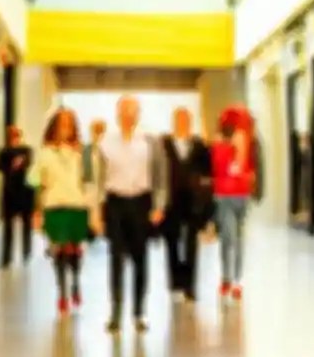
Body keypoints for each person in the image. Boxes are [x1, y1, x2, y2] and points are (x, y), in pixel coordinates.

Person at [88, 95, 168, 333]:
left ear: (139, 114)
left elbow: (161, 177)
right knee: (116, 260)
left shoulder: (150, 141)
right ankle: (115, 313)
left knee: (141, 260)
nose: (128, 116)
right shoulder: (106, 142)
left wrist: (159, 206)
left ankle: (139, 313)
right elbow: (98, 179)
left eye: (133, 111)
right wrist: (96, 211)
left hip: (141, 202)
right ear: (117, 114)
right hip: (115, 203)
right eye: (124, 111)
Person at [28, 107, 92, 317]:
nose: (65, 128)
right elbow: (35, 181)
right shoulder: (45, 153)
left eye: (69, 124)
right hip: (54, 206)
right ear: (54, 127)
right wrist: (37, 211)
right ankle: (62, 292)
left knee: (74, 250)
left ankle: (75, 283)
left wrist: (93, 210)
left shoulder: (82, 152)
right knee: (58, 250)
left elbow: (89, 181)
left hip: (76, 205)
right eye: (62, 124)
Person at [160, 107, 212, 303]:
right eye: (179, 120)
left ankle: (190, 285)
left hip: (192, 201)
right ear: (174, 122)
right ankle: (175, 283)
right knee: (171, 242)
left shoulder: (199, 145)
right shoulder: (164, 144)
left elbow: (208, 171)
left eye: (186, 120)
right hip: (170, 200)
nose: (182, 123)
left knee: (191, 242)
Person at [210, 106, 257, 301]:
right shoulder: (219, 146)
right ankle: (227, 277)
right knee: (229, 236)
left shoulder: (250, 146)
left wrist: (241, 152)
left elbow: (252, 171)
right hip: (224, 195)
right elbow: (219, 170)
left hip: (242, 195)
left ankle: (236, 280)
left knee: (238, 238)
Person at [0, 126, 35, 268]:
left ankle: (26, 252)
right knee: (8, 226)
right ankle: (6, 256)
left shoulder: (26, 151)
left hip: (24, 190)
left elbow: (30, 164)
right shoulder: (4, 152)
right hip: (9, 191)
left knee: (26, 224)